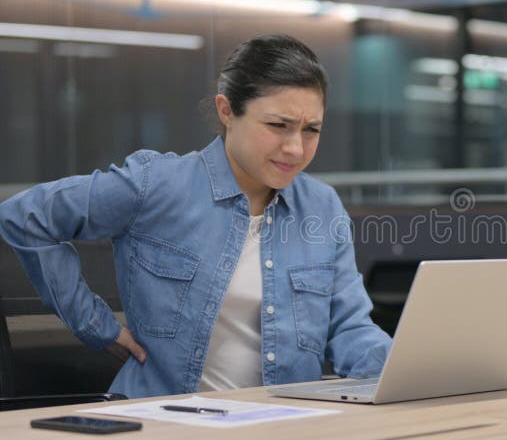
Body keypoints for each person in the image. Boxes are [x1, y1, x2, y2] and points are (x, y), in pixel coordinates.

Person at [0, 34, 392, 398]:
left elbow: (348, 328)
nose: (295, 148)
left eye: (311, 130)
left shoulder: (321, 206)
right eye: (278, 125)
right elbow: (25, 217)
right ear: (227, 111)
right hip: (163, 420)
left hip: (285, 423)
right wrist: (98, 328)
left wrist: (410, 369)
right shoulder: (156, 184)